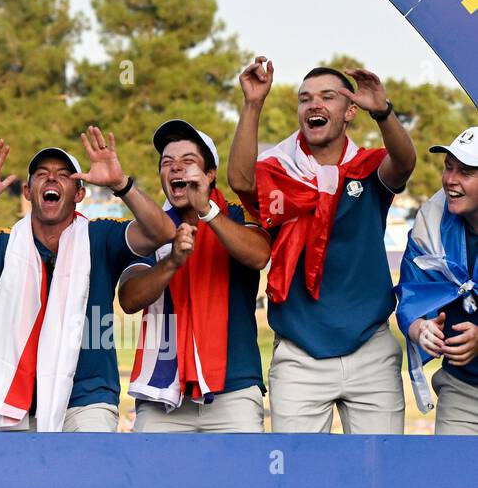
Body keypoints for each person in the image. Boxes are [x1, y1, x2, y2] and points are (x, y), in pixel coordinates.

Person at [227, 59, 415, 434]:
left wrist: (384, 113)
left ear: (350, 111)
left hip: (370, 350)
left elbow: (404, 162)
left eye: (328, 97)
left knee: (378, 478)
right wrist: (252, 103)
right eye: (304, 99)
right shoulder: (279, 172)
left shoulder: (367, 167)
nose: (314, 105)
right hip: (300, 355)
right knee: (299, 482)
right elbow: (239, 179)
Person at [0, 131, 175, 432]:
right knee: (15, 480)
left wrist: (121, 184)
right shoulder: (6, 242)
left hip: (88, 399)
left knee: (89, 478)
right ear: (28, 192)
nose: (52, 180)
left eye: (63, 175)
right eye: (42, 174)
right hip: (19, 400)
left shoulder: (99, 236)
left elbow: (162, 233)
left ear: (79, 193)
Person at [117, 120, 272, 432]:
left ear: (210, 174)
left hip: (234, 390)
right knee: (153, 480)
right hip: (162, 393)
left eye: (188, 161)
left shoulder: (238, 213)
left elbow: (259, 256)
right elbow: (129, 299)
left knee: (241, 481)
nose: (176, 169)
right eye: (167, 163)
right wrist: (173, 261)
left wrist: (208, 212)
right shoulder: (150, 227)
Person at [395, 127, 478, 433]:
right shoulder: (432, 216)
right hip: (463, 389)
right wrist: (420, 327)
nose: (450, 180)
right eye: (448, 167)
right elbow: (412, 291)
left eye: (466, 172)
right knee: (454, 479)